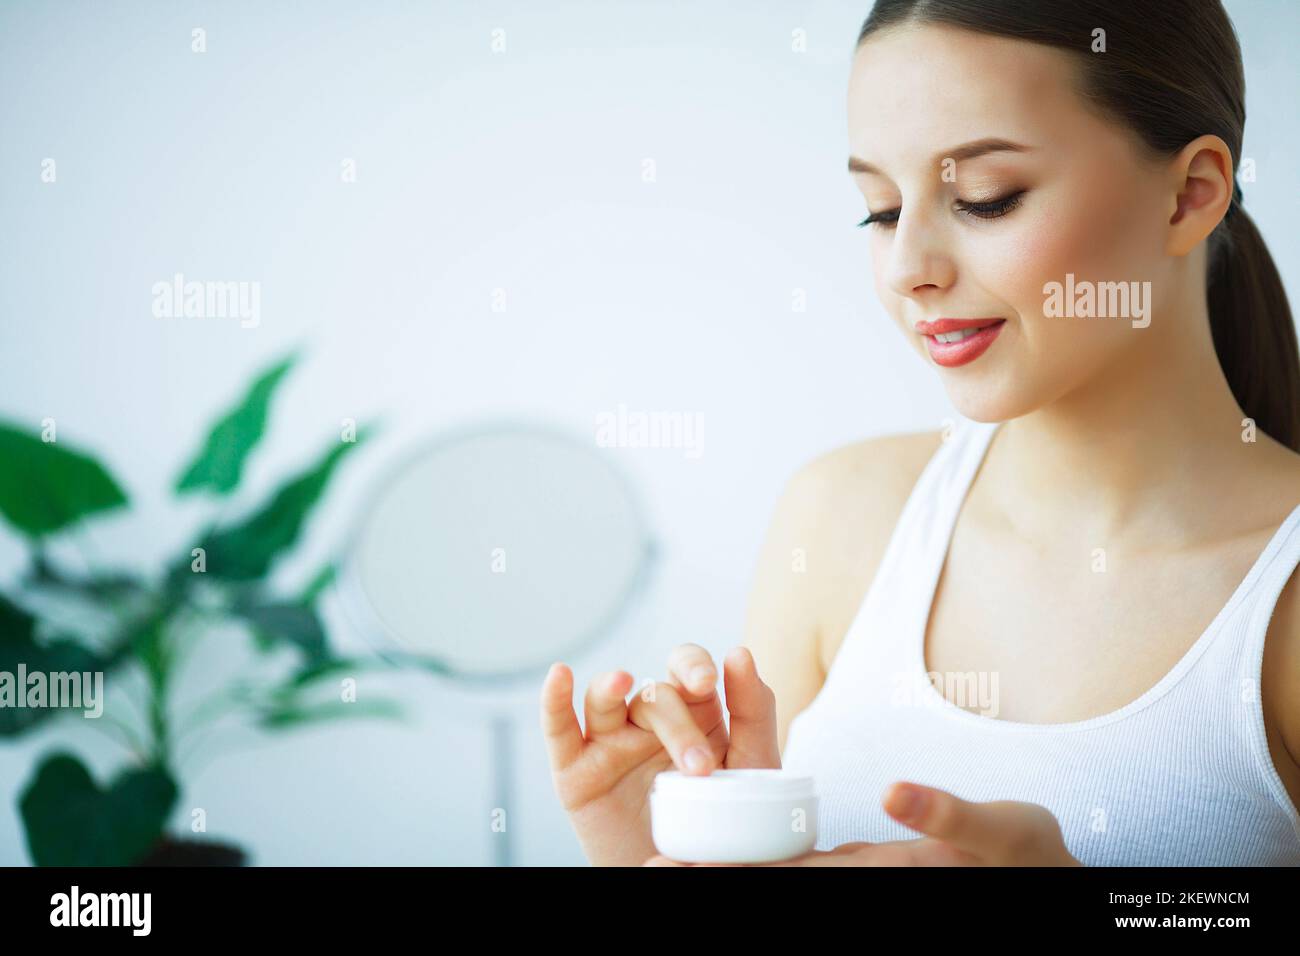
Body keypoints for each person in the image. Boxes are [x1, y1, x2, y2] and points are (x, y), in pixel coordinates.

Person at [540, 0, 1300, 866]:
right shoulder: (839, 518)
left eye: (985, 198)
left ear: (1189, 195)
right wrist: (656, 846)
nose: (907, 270)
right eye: (881, 210)